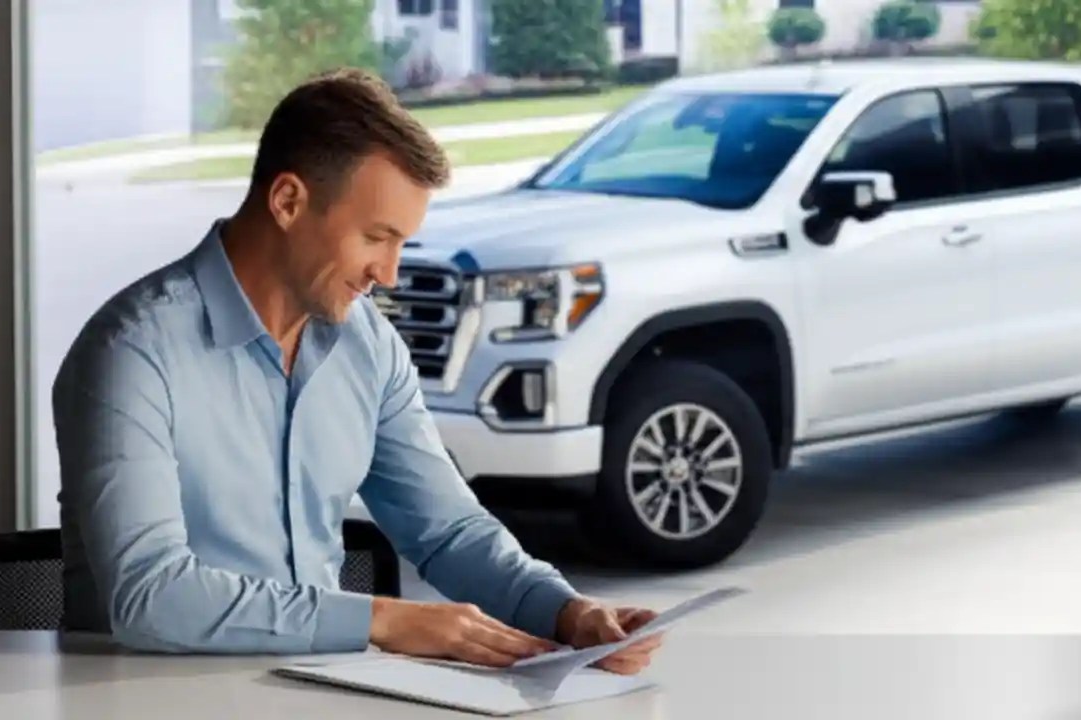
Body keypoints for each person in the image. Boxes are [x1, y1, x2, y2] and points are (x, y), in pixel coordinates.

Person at [52, 67, 662, 674]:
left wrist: (566, 612)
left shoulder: (367, 346)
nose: (389, 273)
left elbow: (449, 531)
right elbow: (150, 597)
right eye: (377, 237)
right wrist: (383, 621)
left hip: (316, 692)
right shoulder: (132, 352)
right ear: (288, 201)